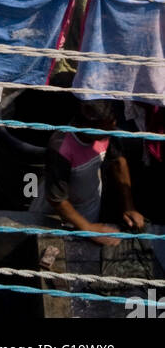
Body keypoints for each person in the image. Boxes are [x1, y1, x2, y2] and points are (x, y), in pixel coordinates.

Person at [43, 99, 145, 246]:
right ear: (89, 126)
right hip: (62, 216)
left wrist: (129, 206)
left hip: (91, 205)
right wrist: (88, 228)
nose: (114, 126)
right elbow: (56, 199)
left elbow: (118, 163)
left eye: (114, 120)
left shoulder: (107, 131)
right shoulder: (61, 148)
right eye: (108, 125)